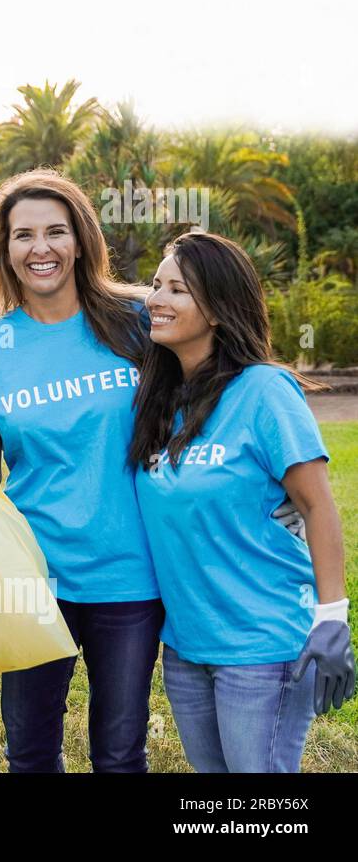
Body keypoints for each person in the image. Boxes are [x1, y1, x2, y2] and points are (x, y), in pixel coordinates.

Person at [0, 169, 165, 773]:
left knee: (120, 753)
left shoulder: (139, 320)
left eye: (55, 232)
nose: (40, 248)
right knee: (31, 750)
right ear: (4, 249)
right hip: (33, 577)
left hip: (131, 574)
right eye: (23, 235)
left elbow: (220, 387)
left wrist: (269, 480)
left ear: (81, 240)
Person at [129, 231, 354, 772]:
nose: (156, 299)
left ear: (219, 310)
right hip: (185, 646)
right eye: (156, 285)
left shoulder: (264, 391)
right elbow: (63, 317)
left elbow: (318, 506)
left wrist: (332, 617)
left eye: (177, 289)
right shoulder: (163, 400)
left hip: (262, 644)